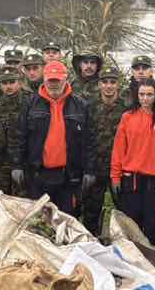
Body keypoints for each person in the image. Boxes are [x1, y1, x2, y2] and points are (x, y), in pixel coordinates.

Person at [13, 60, 96, 217]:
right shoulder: (30, 104)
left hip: (69, 177)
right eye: (50, 80)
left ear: (65, 79)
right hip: (38, 175)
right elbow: (20, 137)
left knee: (67, 221)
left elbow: (89, 141)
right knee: (38, 223)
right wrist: (17, 165)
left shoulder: (81, 106)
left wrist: (90, 170)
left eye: (57, 80)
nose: (53, 84)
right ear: (44, 79)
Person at [110, 77, 155, 245]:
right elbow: (118, 149)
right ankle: (131, 265)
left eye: (149, 94)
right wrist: (115, 176)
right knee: (132, 226)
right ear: (136, 96)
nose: (145, 98)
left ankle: (154, 265)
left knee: (153, 227)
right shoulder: (128, 117)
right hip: (131, 180)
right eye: (142, 94)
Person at [84, 63, 129, 235]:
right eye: (105, 82)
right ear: (99, 84)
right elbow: (85, 138)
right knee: (92, 210)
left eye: (112, 82)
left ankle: (124, 241)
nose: (108, 86)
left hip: (119, 168)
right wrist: (87, 169)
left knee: (123, 210)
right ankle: (91, 241)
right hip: (95, 168)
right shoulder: (89, 107)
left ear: (118, 84)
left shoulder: (126, 108)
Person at [0, 63, 29, 194]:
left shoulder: (29, 101)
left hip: (24, 160)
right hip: (2, 162)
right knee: (1, 198)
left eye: (12, 82)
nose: (8, 86)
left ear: (19, 82)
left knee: (22, 201)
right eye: (4, 83)